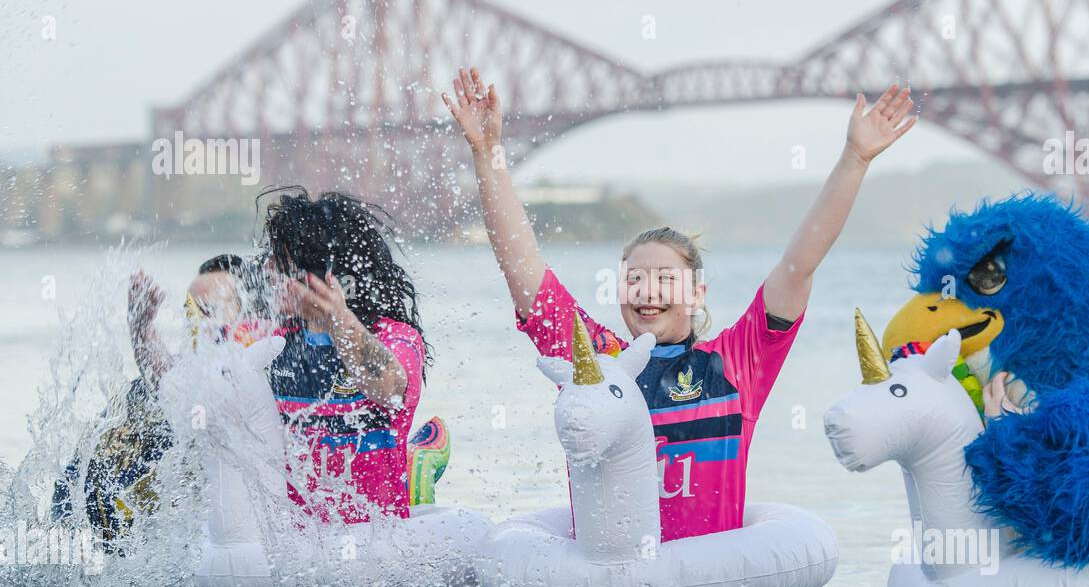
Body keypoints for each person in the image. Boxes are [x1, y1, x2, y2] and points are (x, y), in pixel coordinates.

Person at [444, 66, 915, 540]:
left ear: (696, 295)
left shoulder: (737, 363)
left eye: (665, 279)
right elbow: (523, 270)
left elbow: (800, 263)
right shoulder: (595, 361)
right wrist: (488, 156)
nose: (647, 292)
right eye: (635, 279)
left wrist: (855, 158)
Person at [257, 188, 429, 524]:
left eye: (282, 262)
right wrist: (145, 338)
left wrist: (339, 319)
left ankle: (420, 463)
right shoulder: (272, 342)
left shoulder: (396, 339)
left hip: (375, 544)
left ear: (328, 278)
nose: (267, 269)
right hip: (300, 547)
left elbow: (390, 388)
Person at [52, 254, 253, 539]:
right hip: (90, 520)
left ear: (249, 317)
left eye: (207, 311)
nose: (196, 322)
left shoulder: (263, 373)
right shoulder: (166, 387)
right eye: (191, 311)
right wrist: (141, 326)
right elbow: (170, 386)